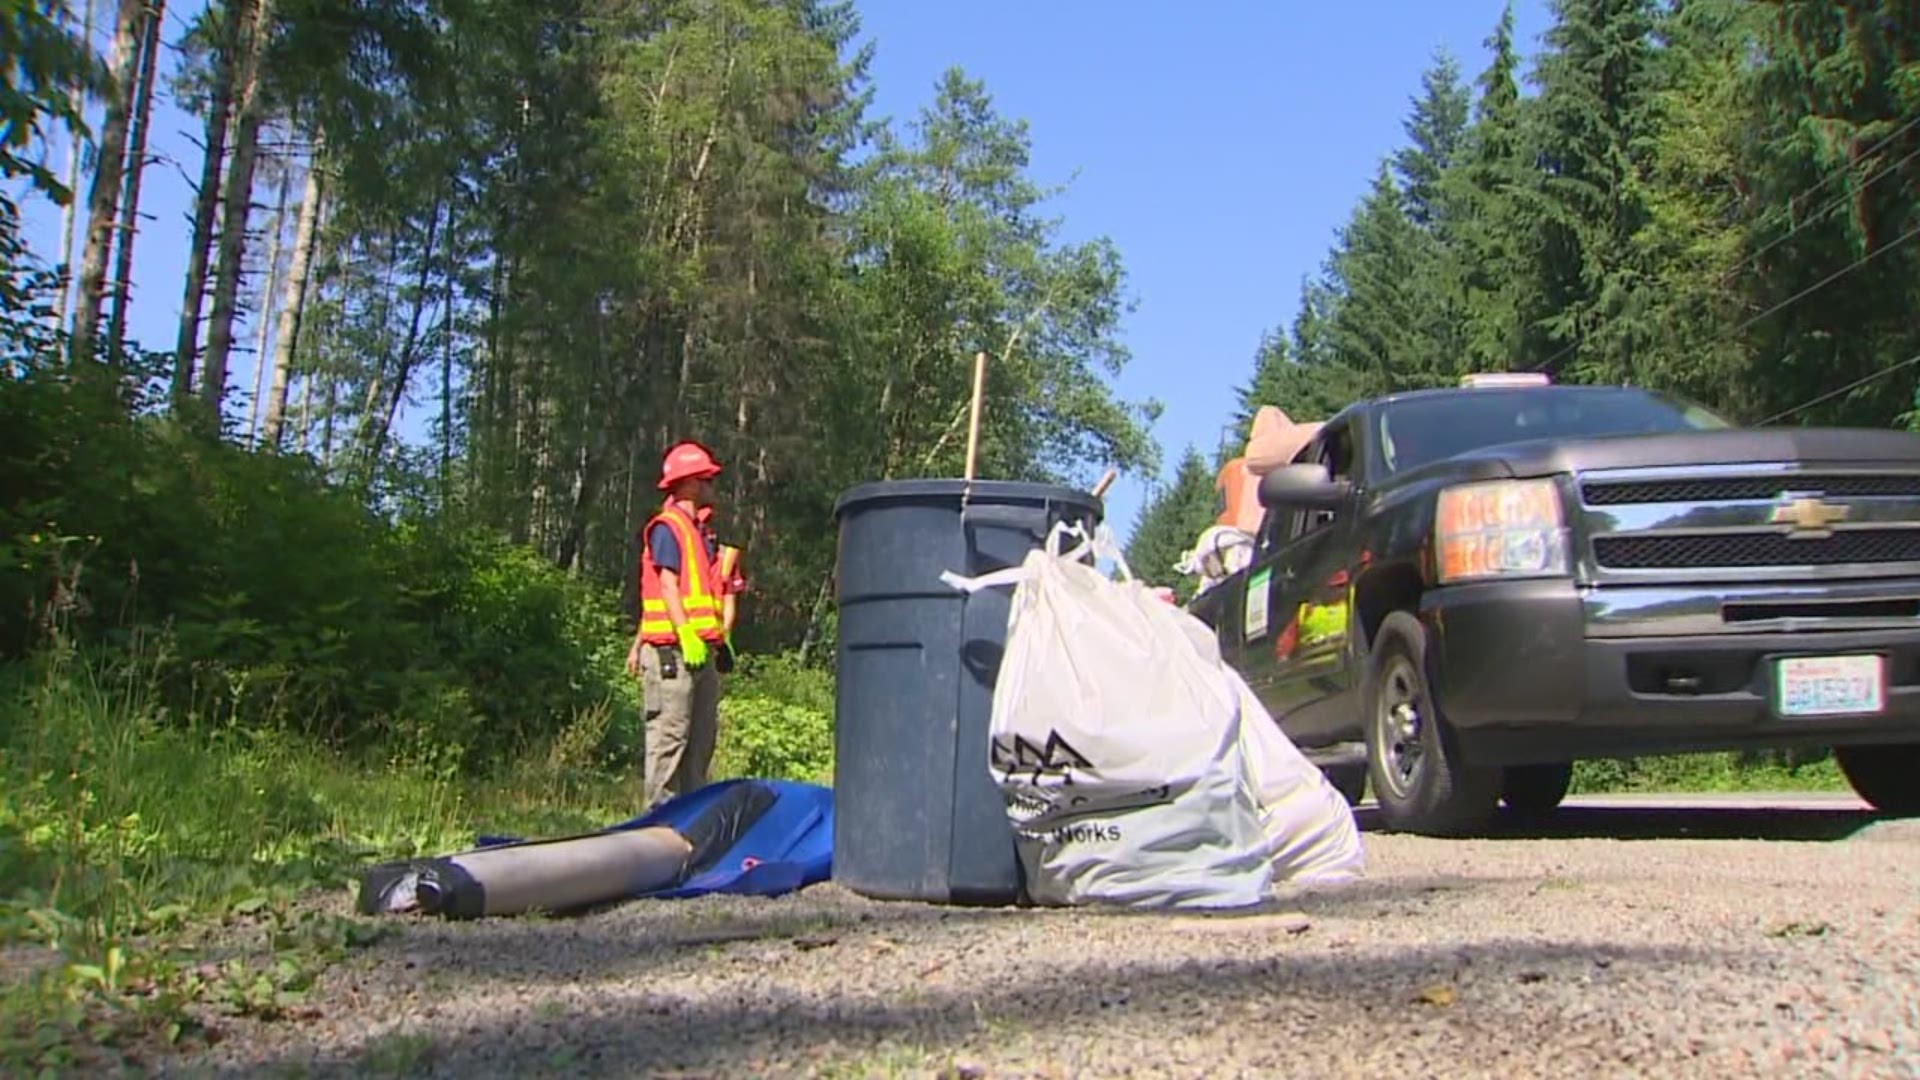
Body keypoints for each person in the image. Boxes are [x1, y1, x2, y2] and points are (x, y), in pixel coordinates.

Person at [627, 440, 730, 809]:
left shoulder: (700, 535)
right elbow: (666, 584)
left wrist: (717, 637)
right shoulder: (668, 528)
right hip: (673, 654)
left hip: (699, 653)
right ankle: (658, 829)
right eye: (706, 479)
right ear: (689, 483)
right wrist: (683, 633)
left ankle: (690, 826)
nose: (712, 487)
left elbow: (691, 592)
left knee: (700, 744)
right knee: (669, 742)